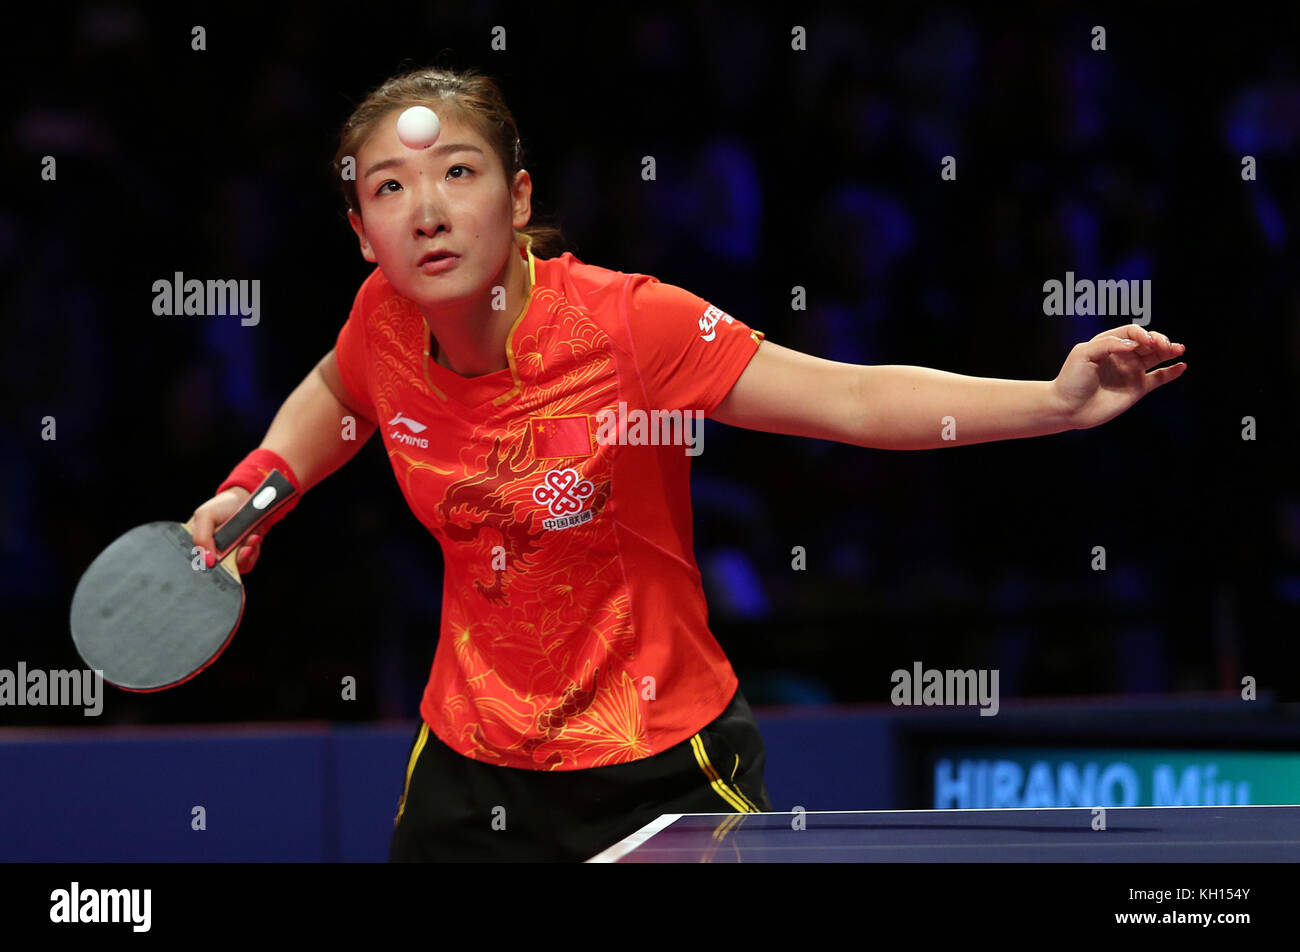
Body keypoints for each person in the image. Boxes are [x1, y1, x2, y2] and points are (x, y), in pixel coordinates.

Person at [188, 66, 1187, 862]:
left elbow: (848, 397)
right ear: (363, 236)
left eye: (459, 171)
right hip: (469, 770)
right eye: (389, 189)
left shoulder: (627, 322)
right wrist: (251, 493)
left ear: (516, 192)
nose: (427, 209)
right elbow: (336, 394)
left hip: (655, 768)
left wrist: (1053, 403)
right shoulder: (384, 323)